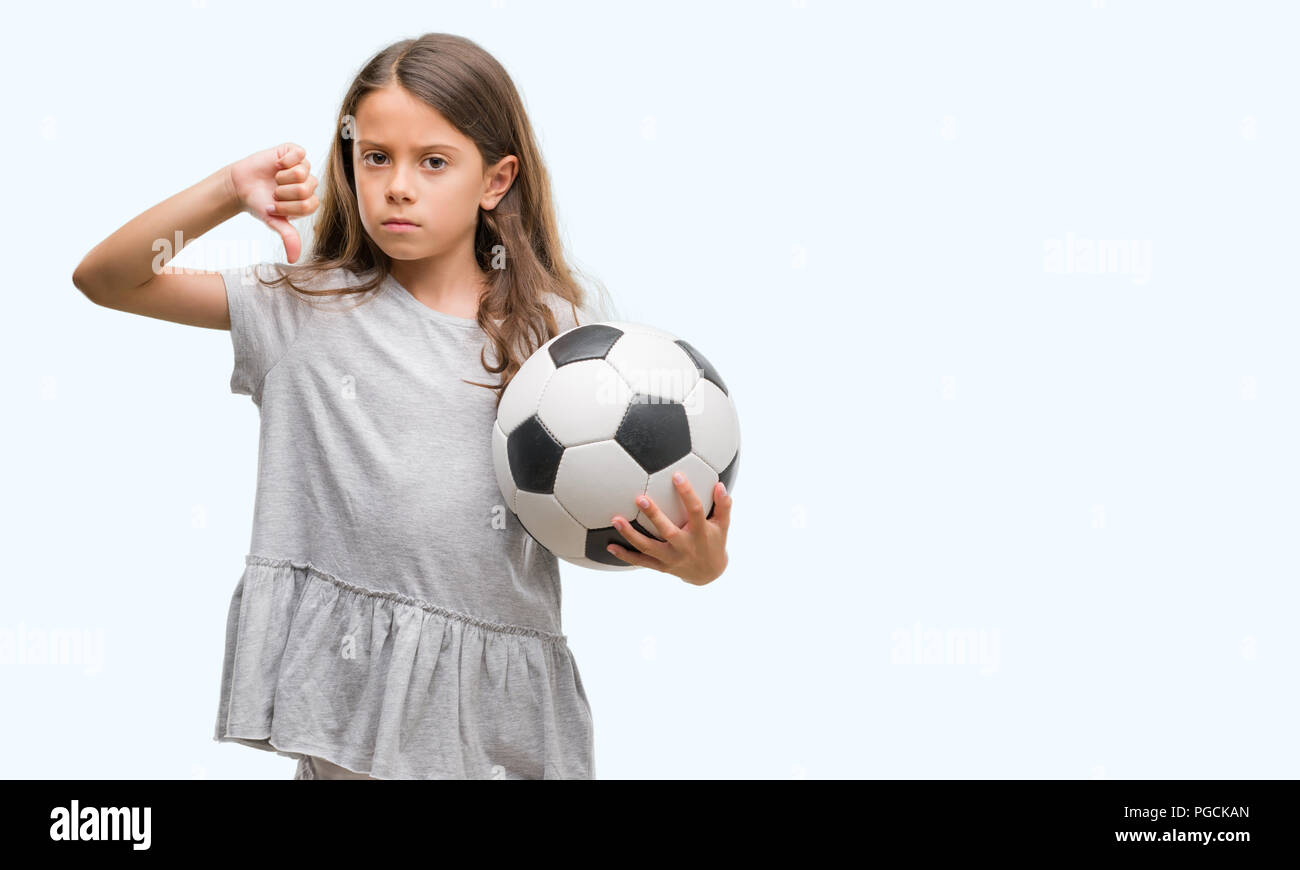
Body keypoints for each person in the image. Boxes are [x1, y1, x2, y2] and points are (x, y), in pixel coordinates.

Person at [71, 32, 734, 780]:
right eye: (375, 156)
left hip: (499, 717)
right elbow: (108, 278)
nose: (398, 185)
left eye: (434, 162)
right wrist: (228, 188)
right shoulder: (300, 307)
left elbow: (608, 507)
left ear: (496, 179)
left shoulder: (556, 341)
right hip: (354, 703)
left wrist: (697, 563)